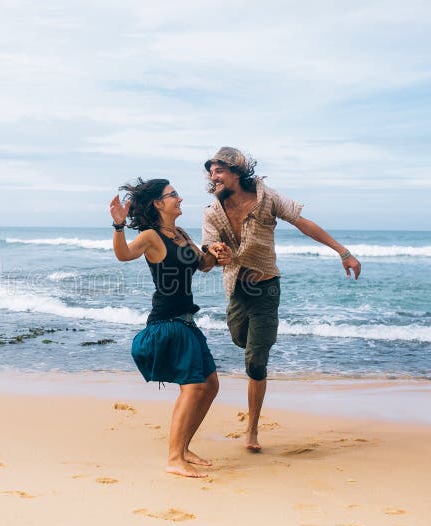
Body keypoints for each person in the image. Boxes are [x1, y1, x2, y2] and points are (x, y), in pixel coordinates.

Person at [200, 147, 361, 452]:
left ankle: (252, 430)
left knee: (256, 362)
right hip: (236, 290)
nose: (213, 175)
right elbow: (208, 251)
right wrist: (215, 253)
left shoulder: (266, 197)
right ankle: (255, 353)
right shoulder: (211, 212)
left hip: (266, 289)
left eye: (219, 169)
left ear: (236, 171)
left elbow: (303, 222)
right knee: (240, 340)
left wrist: (344, 251)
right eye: (210, 171)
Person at [109, 178, 228, 478]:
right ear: (158, 204)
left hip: (187, 321)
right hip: (167, 323)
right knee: (192, 388)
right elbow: (123, 255)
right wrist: (119, 226)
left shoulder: (181, 234)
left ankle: (184, 448)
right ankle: (174, 458)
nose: (180, 198)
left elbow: (202, 265)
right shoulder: (152, 236)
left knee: (210, 386)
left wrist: (216, 252)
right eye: (173, 195)